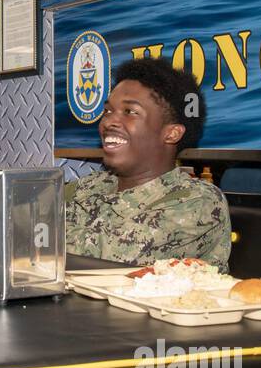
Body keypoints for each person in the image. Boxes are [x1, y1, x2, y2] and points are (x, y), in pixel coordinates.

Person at [65, 58, 230, 269]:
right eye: (107, 111)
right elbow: (17, 228)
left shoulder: (198, 200)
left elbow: (111, 260)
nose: (109, 122)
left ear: (171, 133)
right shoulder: (87, 186)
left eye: (130, 112)